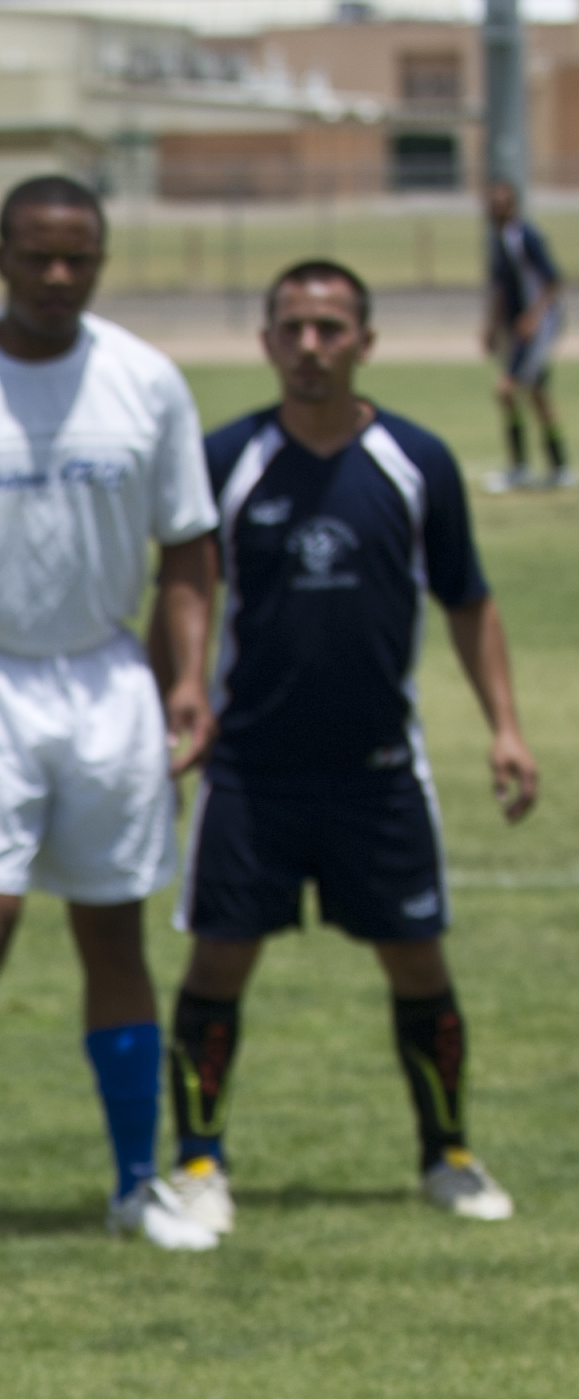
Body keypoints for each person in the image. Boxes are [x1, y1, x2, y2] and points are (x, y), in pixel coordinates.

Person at [0, 175, 221, 1262]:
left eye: (80, 257)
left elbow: (189, 548)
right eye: (38, 256)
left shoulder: (146, 382)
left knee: (112, 927)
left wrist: (189, 678)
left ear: (101, 260)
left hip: (108, 683)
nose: (59, 276)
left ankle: (133, 1183)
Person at [168, 260, 537, 1229]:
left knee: (419, 963)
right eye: (292, 328)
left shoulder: (418, 462)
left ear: (365, 342)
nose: (311, 346)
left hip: (379, 773)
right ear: (266, 342)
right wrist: (184, 695)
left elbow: (467, 598)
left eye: (332, 328)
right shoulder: (227, 459)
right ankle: (199, 1166)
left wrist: (505, 727)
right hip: (249, 770)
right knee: (216, 966)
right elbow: (189, 591)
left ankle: (448, 1152)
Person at [484, 180, 568, 492]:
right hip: (519, 328)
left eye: (503, 202)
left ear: (513, 205)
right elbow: (501, 289)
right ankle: (559, 467)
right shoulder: (499, 239)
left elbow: (552, 280)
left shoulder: (525, 237)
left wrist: (534, 317)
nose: (497, 208)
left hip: (537, 328)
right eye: (493, 202)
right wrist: (491, 326)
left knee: (506, 389)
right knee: (537, 395)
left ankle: (520, 468)